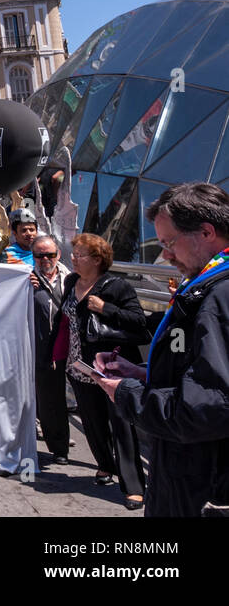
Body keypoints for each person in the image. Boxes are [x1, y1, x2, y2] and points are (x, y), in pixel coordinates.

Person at [99, 183, 229, 516]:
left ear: (206, 232)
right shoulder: (210, 286)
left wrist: (127, 394)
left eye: (169, 243)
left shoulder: (218, 296)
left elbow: (205, 409)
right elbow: (203, 372)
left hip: (200, 487)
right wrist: (145, 373)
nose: (166, 256)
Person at [63, 233, 147, 510]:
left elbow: (139, 323)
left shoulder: (117, 286)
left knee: (122, 425)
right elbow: (64, 321)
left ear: (98, 259)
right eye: (74, 253)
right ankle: (104, 465)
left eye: (80, 254)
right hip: (79, 365)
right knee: (93, 422)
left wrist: (106, 308)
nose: (74, 258)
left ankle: (133, 486)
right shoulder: (71, 282)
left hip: (112, 367)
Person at [29, 234, 71, 464]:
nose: (45, 259)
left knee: (86, 403)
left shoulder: (72, 278)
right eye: (40, 255)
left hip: (73, 348)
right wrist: (25, 287)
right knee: (49, 401)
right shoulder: (26, 279)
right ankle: (59, 448)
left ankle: (105, 457)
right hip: (44, 348)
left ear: (59, 255)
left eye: (50, 254)